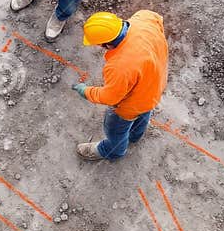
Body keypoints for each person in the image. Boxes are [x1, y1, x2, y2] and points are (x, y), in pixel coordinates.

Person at [72, 10, 169, 161]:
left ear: (108, 44)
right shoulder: (144, 19)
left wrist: (86, 91)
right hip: (154, 88)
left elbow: (110, 97)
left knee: (115, 129)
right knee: (144, 113)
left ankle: (112, 151)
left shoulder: (119, 66)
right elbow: (158, 18)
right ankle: (135, 136)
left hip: (130, 106)